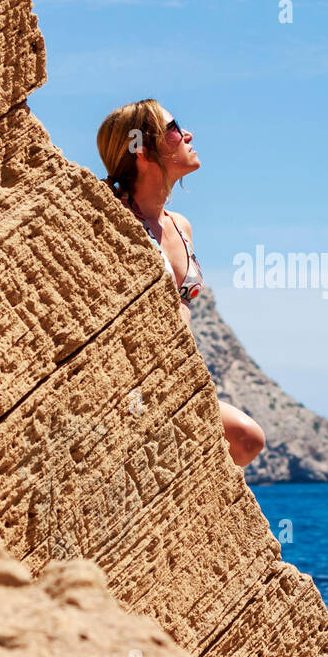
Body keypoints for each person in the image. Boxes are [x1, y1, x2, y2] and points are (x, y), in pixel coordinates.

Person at [96, 98, 265, 468]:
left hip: (179, 374)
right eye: (173, 129)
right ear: (141, 149)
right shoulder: (113, 219)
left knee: (247, 440)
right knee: (244, 438)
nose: (187, 134)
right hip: (131, 382)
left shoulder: (181, 226)